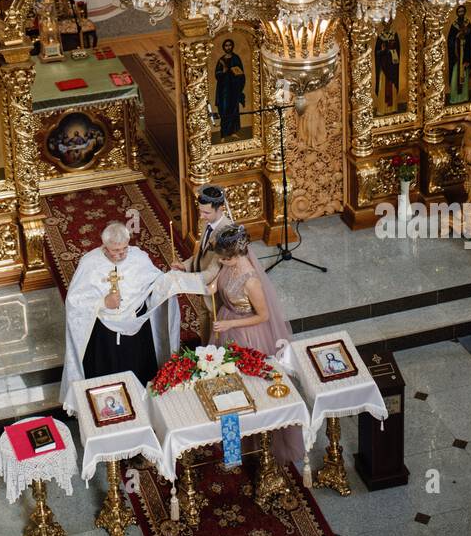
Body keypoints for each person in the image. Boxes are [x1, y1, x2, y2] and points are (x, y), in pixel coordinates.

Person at [61, 220, 198, 411]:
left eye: (124, 249)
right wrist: (102, 302)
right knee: (107, 377)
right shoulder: (90, 263)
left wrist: (168, 280)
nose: (121, 254)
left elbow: (154, 282)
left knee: (139, 370)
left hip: (136, 329)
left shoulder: (138, 258)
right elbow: (75, 301)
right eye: (115, 251)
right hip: (105, 334)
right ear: (104, 246)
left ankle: (142, 405)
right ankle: (107, 408)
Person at [207, 223, 303, 463]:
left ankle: (260, 446)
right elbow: (221, 276)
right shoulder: (228, 262)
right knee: (227, 391)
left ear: (236, 256)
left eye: (225, 260)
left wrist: (229, 325)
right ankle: (233, 446)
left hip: (248, 335)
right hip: (228, 327)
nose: (221, 261)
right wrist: (214, 284)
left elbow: (264, 316)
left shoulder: (251, 281)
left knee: (249, 392)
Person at [172, 184, 236, 341]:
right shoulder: (208, 222)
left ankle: (214, 353)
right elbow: (202, 253)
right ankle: (205, 346)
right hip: (204, 283)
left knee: (215, 321)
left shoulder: (226, 232)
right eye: (200, 211)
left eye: (206, 212)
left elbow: (214, 270)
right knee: (204, 315)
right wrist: (185, 265)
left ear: (220, 208)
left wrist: (187, 281)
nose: (201, 216)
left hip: (217, 287)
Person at [214, 37, 246, 138]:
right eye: (226, 45)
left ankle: (233, 132)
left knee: (233, 109)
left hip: (234, 89)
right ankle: (223, 133)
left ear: (232, 46)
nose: (228, 47)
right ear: (224, 47)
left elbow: (241, 73)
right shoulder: (221, 60)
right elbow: (217, 74)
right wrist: (223, 72)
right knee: (224, 110)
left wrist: (237, 73)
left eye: (230, 45)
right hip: (223, 90)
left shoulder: (236, 58)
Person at [448, 4, 471, 104]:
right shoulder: (454, 25)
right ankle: (454, 98)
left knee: (464, 74)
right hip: (457, 56)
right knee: (456, 76)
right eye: (459, 12)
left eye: (462, 11)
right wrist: (456, 36)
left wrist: (467, 35)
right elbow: (449, 40)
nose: (461, 13)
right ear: (457, 13)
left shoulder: (468, 23)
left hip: (465, 55)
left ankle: (464, 97)